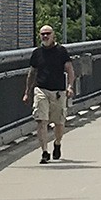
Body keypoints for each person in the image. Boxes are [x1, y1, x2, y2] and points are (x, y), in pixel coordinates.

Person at [22, 25, 75, 164]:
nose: (45, 36)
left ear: (53, 35)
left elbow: (69, 70)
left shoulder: (61, 51)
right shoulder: (37, 53)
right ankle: (44, 152)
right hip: (41, 89)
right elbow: (31, 73)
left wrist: (70, 86)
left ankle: (57, 143)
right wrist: (27, 92)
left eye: (48, 34)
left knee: (59, 123)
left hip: (58, 91)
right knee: (41, 120)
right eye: (42, 34)